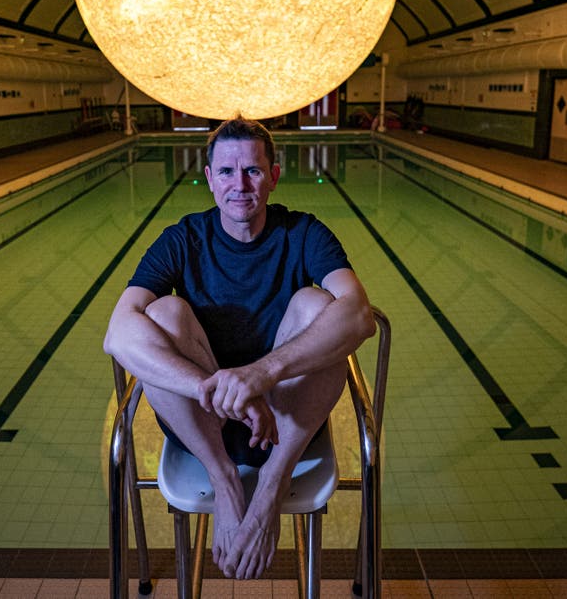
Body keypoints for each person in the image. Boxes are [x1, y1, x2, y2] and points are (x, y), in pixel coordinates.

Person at [104, 115, 374, 580]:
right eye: (226, 172)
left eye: (251, 170)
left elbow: (359, 315)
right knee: (162, 315)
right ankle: (224, 478)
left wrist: (260, 375)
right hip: (201, 425)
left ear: (273, 175)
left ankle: (272, 481)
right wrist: (220, 388)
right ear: (209, 179)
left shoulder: (303, 233)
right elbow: (118, 334)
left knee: (319, 305)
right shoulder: (182, 239)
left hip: (285, 421)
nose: (239, 184)